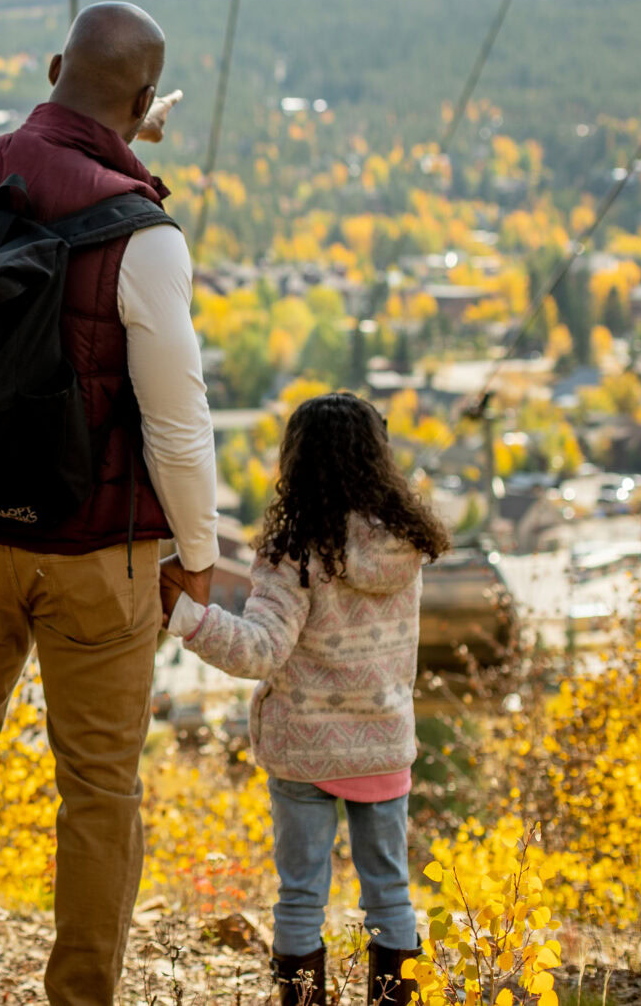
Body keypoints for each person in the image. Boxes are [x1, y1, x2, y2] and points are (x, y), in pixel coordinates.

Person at [0, 2, 221, 1006]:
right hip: (101, 554)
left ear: (54, 62)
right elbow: (177, 426)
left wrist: (121, 125)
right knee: (99, 790)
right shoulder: (146, 239)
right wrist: (195, 557)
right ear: (144, 105)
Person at [161, 392, 450, 1006]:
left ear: (297, 461)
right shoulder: (405, 546)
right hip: (382, 744)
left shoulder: (296, 552)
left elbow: (260, 650)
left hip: (303, 748)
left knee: (300, 898)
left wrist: (187, 618)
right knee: (390, 895)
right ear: (376, 457)